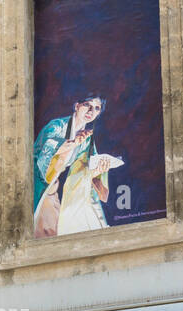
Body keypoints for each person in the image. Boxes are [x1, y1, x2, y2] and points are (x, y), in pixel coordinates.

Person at [33, 96, 123, 238]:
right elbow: (46, 150)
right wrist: (73, 142)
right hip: (37, 183)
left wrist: (98, 170)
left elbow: (85, 170)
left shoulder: (86, 140)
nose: (91, 111)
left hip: (52, 189)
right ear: (77, 106)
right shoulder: (56, 126)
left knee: (55, 232)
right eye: (87, 105)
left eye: (97, 108)